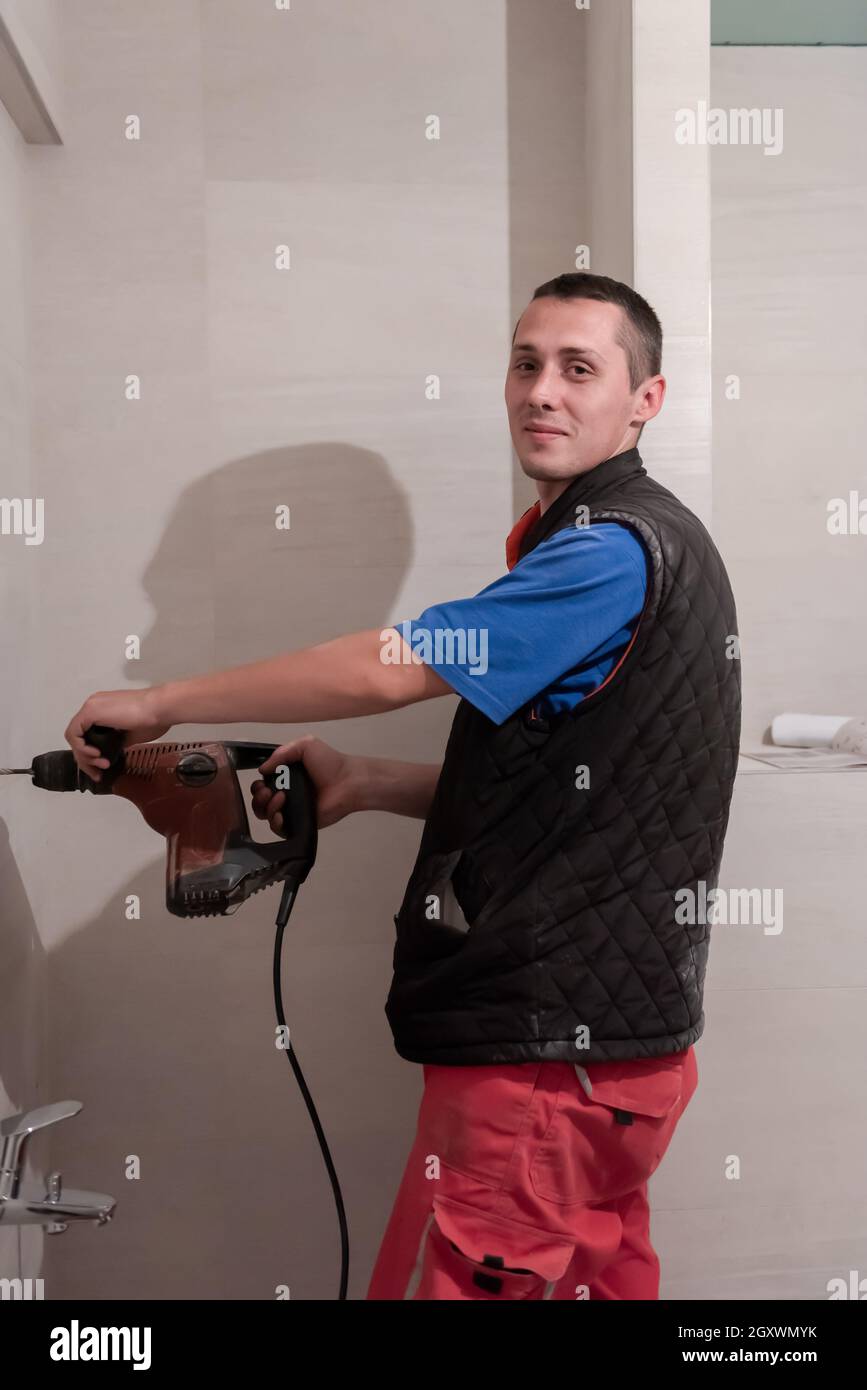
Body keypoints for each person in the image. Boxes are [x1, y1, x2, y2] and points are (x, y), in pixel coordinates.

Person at [64, 271, 741, 1301]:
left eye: (578, 368)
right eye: (525, 363)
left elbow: (390, 663)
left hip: (542, 1062)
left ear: (645, 399)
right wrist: (367, 781)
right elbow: (574, 789)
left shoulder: (607, 555)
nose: (541, 391)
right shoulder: (628, 543)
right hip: (617, 1056)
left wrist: (163, 700)